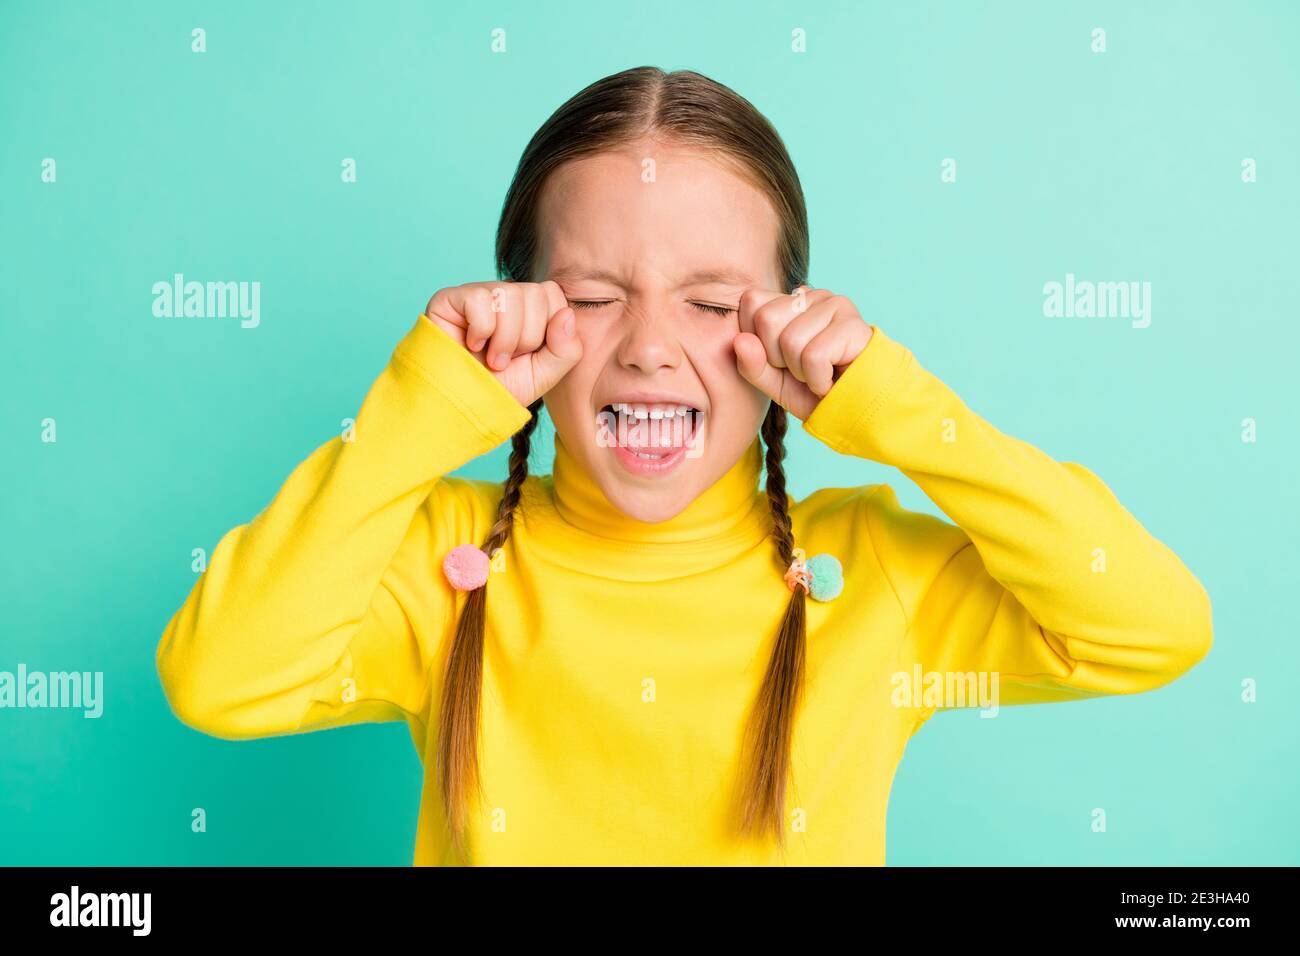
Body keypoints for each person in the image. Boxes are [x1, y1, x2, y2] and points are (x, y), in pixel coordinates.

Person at [156, 66, 1213, 866]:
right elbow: (220, 679)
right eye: (590, 295)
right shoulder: (444, 556)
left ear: (789, 324)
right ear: (519, 310)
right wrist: (428, 401)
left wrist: (897, 408)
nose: (650, 346)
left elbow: (1151, 627)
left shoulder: (873, 572)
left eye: (711, 303)